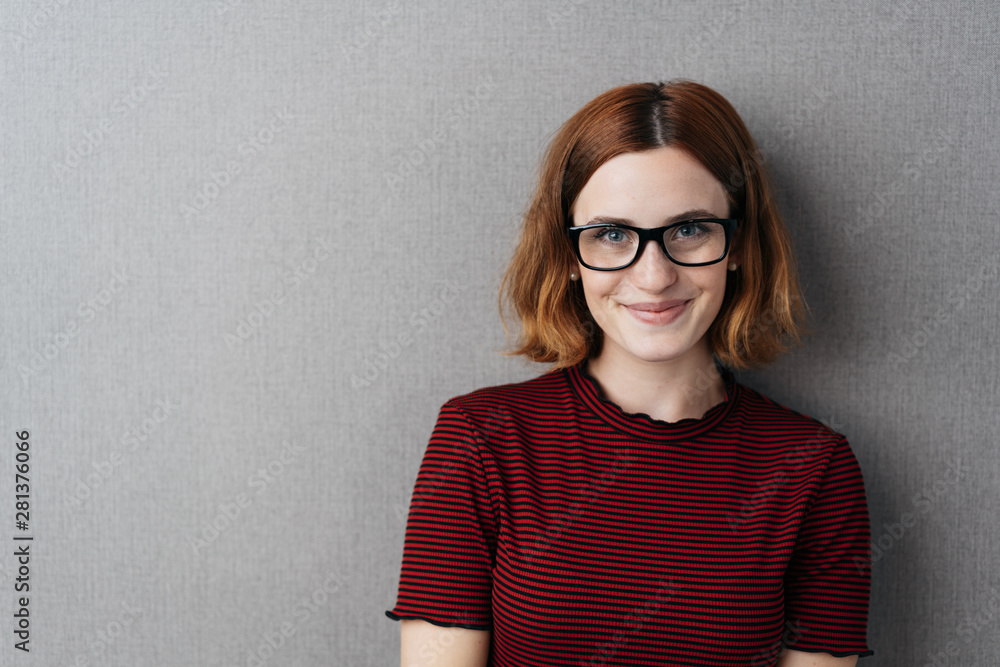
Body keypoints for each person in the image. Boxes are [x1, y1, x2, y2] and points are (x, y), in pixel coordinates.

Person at [386, 80, 873, 666]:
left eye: (689, 229)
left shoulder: (815, 469)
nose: (653, 276)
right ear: (569, 256)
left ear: (739, 242)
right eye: (612, 235)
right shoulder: (480, 439)